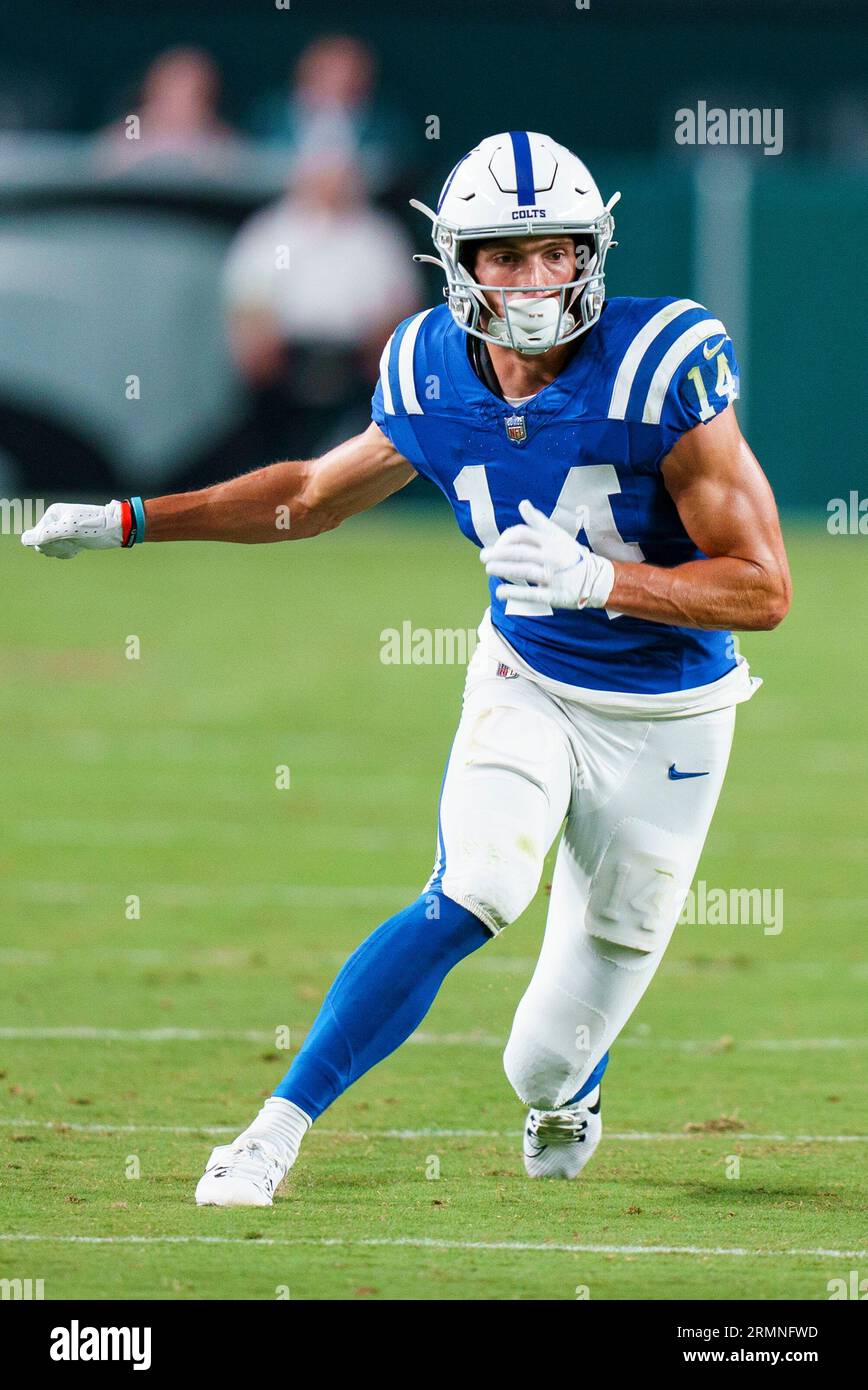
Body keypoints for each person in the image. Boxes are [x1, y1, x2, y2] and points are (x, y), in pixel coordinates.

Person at [22, 131, 791, 1205]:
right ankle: (270, 1133)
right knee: (477, 882)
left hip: (672, 716)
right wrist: (131, 518)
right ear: (457, 263)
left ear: (591, 254)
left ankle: (572, 1085)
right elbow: (309, 496)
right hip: (527, 679)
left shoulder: (660, 366)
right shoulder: (427, 367)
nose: (536, 280)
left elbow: (763, 590)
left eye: (557, 252)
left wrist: (600, 583)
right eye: (507, 256)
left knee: (541, 1061)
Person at [223, 143, 422, 460]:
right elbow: (247, 309)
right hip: (286, 365)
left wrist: (382, 359)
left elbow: (403, 311)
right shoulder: (268, 232)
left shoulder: (381, 237)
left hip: (358, 364)